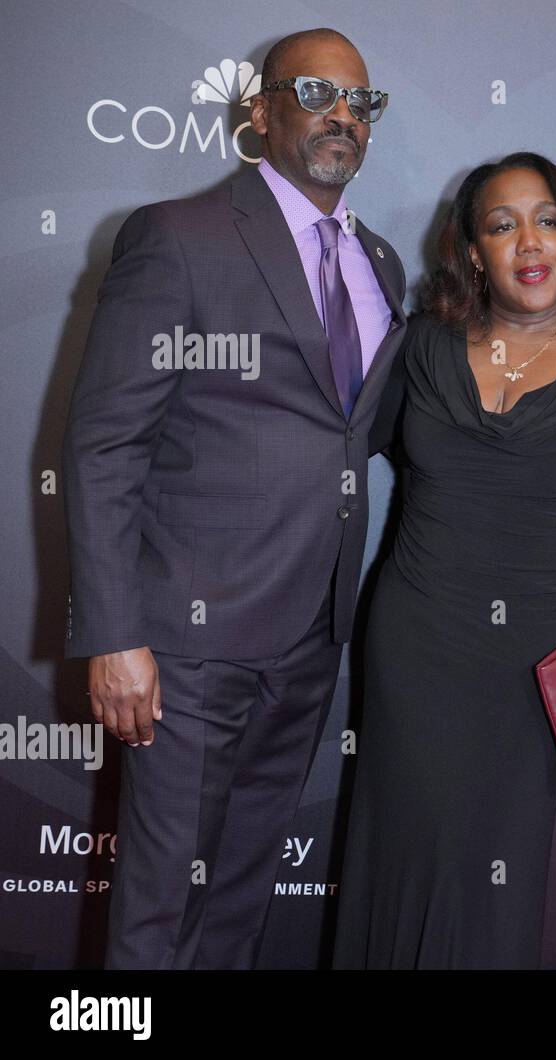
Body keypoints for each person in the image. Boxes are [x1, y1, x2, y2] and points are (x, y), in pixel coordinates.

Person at [61, 28, 406, 969]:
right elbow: (102, 446)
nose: (344, 114)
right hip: (185, 645)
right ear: (260, 113)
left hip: (309, 637)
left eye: (361, 102)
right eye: (317, 92)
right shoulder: (179, 236)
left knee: (240, 898)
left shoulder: (380, 263)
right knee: (160, 909)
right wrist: (115, 634)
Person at [333, 152, 556, 968]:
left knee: (496, 878)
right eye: (502, 224)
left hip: (533, 667)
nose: (530, 241)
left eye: (547, 220)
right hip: (416, 647)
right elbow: (338, 443)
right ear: (472, 252)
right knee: (396, 854)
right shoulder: (421, 348)